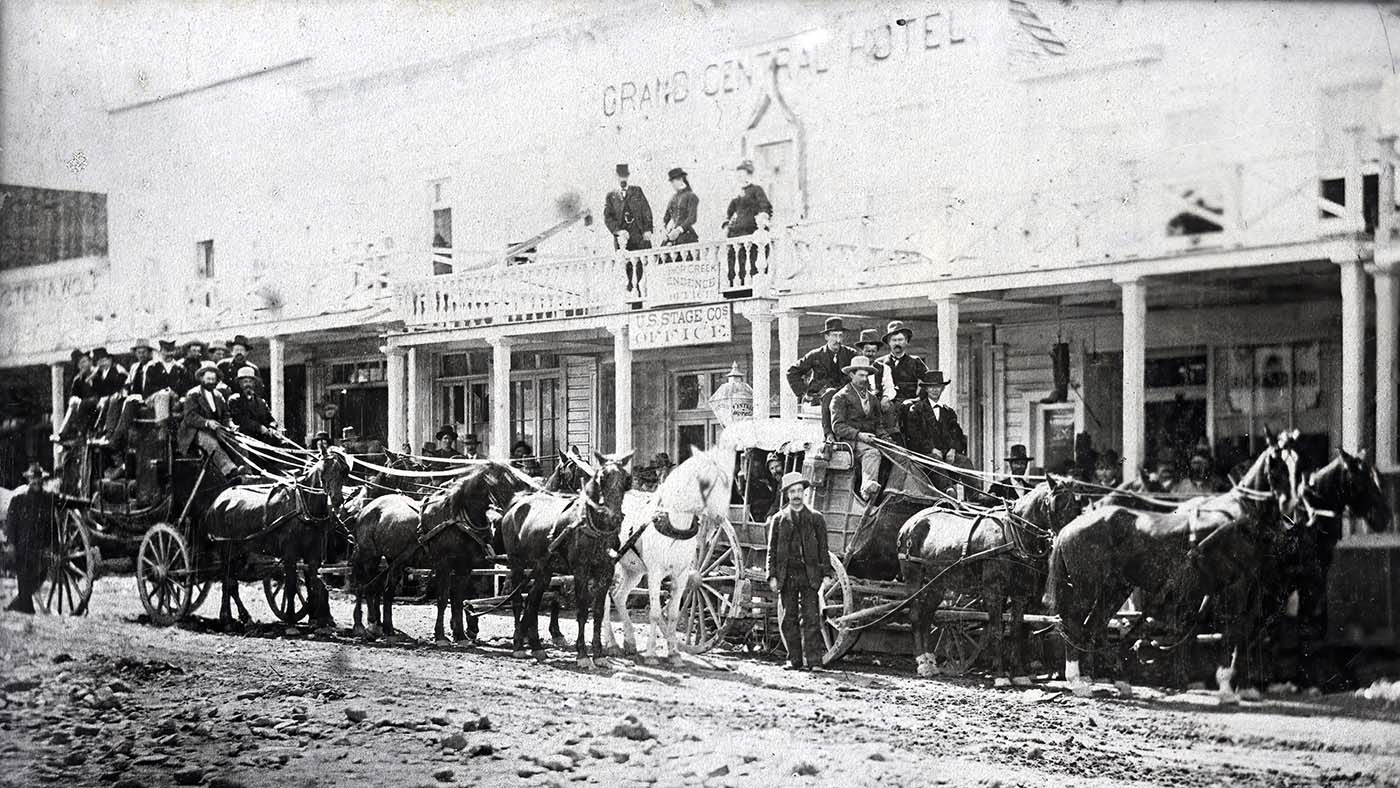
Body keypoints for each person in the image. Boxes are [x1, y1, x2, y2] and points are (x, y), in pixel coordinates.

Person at [765, 471, 832, 671]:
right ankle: (793, 660)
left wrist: (827, 574)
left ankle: (814, 662)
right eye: (792, 491)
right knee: (789, 618)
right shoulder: (778, 519)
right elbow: (772, 550)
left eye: (799, 491)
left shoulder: (816, 518)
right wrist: (772, 576)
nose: (796, 495)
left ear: (804, 493)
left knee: (812, 618)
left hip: (809, 575)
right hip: (787, 575)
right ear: (787, 494)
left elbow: (823, 549)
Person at [785, 317, 858, 445]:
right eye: (834, 335)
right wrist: (803, 393)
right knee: (830, 393)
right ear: (826, 337)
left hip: (845, 394)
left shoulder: (850, 354)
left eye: (840, 336)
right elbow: (792, 372)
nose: (838, 340)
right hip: (820, 396)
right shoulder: (816, 355)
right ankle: (828, 433)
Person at [830, 356, 886, 499]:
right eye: (861, 375)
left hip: (870, 440)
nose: (864, 379)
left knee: (897, 454)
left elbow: (878, 424)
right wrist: (859, 435)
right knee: (872, 453)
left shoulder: (872, 398)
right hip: (850, 442)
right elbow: (837, 426)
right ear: (851, 375)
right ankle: (867, 489)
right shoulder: (840, 397)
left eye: (866, 376)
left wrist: (887, 439)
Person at [5, 463, 56, 615]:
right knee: (23, 576)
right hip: (22, 546)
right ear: (29, 480)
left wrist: (52, 545)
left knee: (38, 576)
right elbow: (11, 523)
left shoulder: (47, 500)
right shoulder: (19, 500)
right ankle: (27, 609)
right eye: (33, 479)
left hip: (40, 547)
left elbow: (52, 524)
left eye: (39, 479)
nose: (37, 482)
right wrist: (11, 544)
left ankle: (18, 604)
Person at [178, 363, 242, 479]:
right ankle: (230, 472)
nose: (211, 382)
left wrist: (230, 425)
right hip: (194, 432)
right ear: (202, 378)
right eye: (208, 379)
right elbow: (189, 417)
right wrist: (207, 422)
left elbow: (225, 415)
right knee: (212, 444)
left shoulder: (218, 395)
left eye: (213, 379)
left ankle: (246, 472)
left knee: (236, 442)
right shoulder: (193, 394)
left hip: (215, 430)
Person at [604, 163, 655, 295]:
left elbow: (646, 211)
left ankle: (641, 298)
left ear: (628, 176)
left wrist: (648, 229)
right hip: (624, 240)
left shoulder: (637, 191)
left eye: (625, 176)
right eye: (620, 176)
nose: (623, 179)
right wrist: (618, 231)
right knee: (627, 271)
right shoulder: (611, 196)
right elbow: (608, 218)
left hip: (639, 237)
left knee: (641, 269)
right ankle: (631, 297)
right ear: (616, 177)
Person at [723, 160, 772, 286]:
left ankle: (752, 285)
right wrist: (727, 222)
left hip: (751, 229)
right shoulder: (737, 193)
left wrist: (763, 216)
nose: (740, 177)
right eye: (738, 175)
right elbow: (730, 210)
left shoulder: (756, 190)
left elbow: (765, 206)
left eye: (742, 174)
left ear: (749, 175)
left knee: (752, 260)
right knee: (736, 260)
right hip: (737, 232)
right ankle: (736, 286)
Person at [904, 370, 966, 462]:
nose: (934, 390)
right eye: (931, 387)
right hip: (925, 454)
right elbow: (914, 436)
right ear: (926, 389)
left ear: (942, 388)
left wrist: (953, 449)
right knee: (938, 467)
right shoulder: (916, 410)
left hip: (946, 454)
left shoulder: (948, 412)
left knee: (965, 462)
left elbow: (956, 433)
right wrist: (931, 449)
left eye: (937, 386)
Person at [227, 366, 293, 447]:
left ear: (254, 383)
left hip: (262, 439)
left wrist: (272, 426)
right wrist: (260, 428)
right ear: (240, 384)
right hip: (244, 438)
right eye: (245, 382)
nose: (248, 384)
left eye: (250, 381)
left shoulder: (261, 401)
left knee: (284, 445)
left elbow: (270, 419)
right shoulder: (234, 400)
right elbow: (242, 420)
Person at [873, 321, 929, 406]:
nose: (897, 343)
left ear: (906, 341)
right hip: (886, 407)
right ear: (889, 342)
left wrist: (918, 399)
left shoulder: (916, 361)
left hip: (909, 407)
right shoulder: (879, 363)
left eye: (900, 340)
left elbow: (928, 381)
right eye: (894, 340)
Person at [56, 348, 95, 442]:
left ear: (90, 362)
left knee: (79, 404)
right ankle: (62, 433)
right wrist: (75, 400)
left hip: (96, 402)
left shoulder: (97, 373)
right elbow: (73, 394)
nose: (82, 365)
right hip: (84, 406)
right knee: (73, 403)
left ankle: (74, 433)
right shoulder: (78, 379)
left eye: (84, 362)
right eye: (80, 364)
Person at [660, 167, 699, 248]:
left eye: (673, 181)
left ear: (681, 180)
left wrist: (678, 230)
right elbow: (666, 218)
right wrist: (664, 230)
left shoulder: (691, 196)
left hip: (686, 235)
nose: (672, 184)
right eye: (671, 182)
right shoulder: (673, 198)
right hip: (672, 236)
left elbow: (692, 218)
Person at [746, 453, 787, 522]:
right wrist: (769, 516)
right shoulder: (777, 484)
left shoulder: (786, 480)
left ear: (783, 466)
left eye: (777, 466)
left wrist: (771, 515)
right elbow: (776, 502)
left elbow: (780, 502)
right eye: (772, 468)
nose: (775, 471)